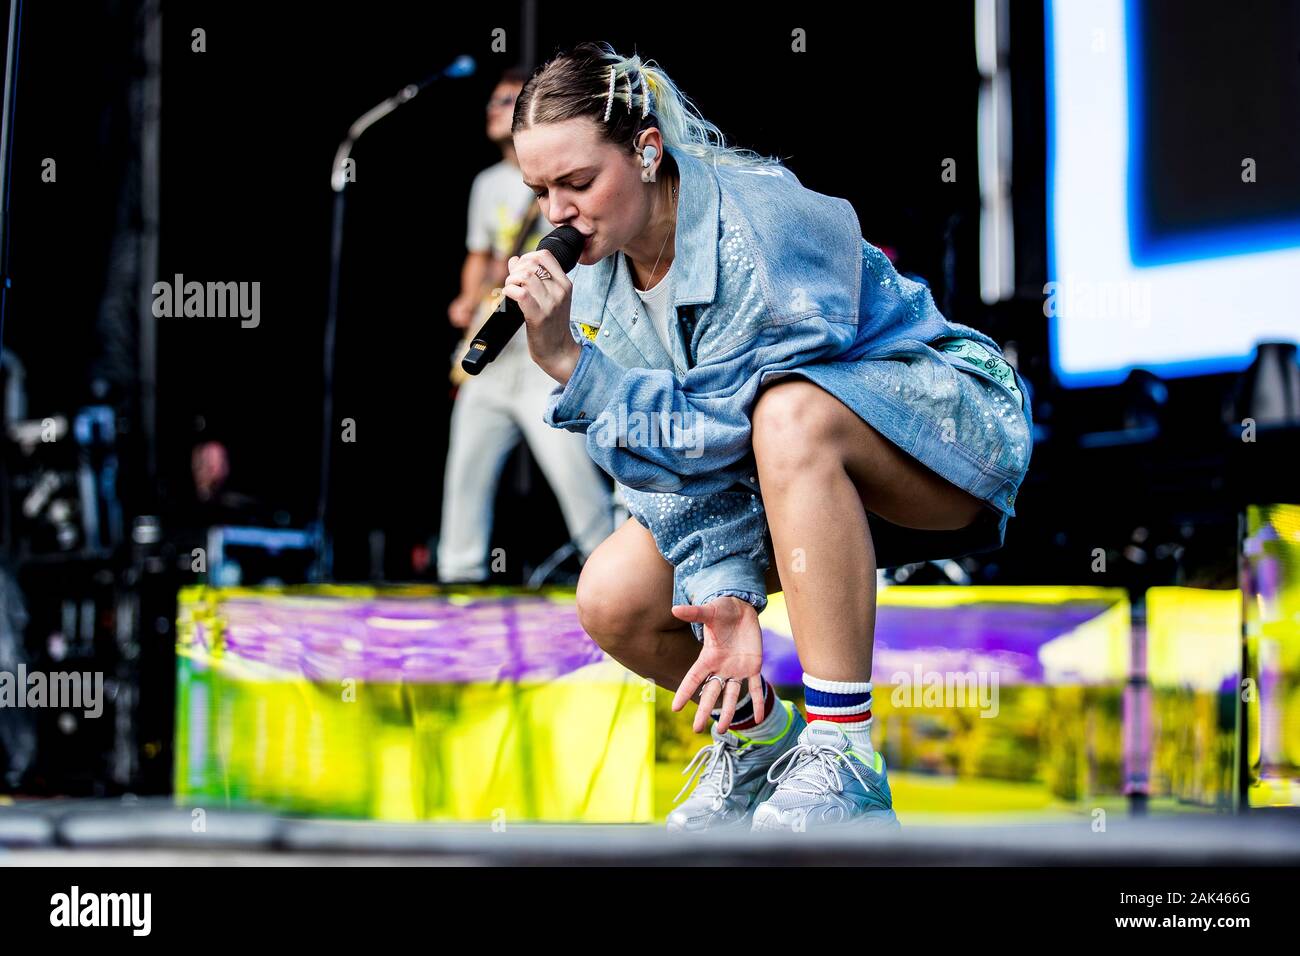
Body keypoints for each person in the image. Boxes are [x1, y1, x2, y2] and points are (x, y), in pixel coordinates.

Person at [501, 42, 1033, 832]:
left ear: (647, 151)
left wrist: (732, 589)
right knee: (611, 597)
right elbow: (663, 462)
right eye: (540, 191)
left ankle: (845, 753)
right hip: (786, 484)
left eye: (577, 182)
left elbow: (731, 428)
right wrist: (719, 593)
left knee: (788, 411)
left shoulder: (761, 220)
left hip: (938, 432)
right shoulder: (603, 279)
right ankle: (764, 747)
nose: (558, 215)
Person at [439, 67, 614, 584]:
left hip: (545, 339)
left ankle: (610, 572)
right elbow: (483, 255)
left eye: (506, 99)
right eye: (491, 100)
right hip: (497, 344)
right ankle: (459, 575)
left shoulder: (564, 174)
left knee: (571, 469)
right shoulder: (485, 184)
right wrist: (467, 300)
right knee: (466, 467)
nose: (494, 107)